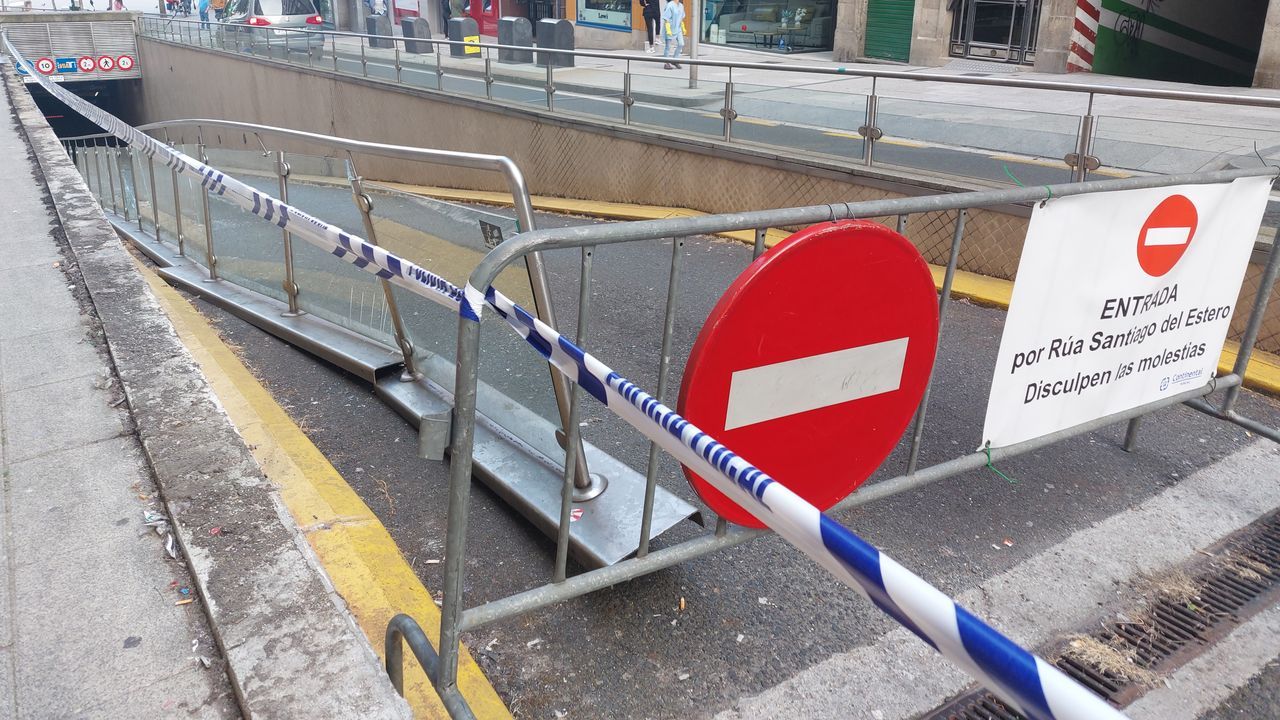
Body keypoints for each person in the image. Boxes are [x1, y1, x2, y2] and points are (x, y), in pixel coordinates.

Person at [661, 0, 684, 70]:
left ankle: (675, 60)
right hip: (670, 27)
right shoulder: (670, 5)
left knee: (681, 44)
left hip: (678, 28)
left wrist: (683, 27)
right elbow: (666, 18)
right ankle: (666, 63)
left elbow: (681, 17)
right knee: (668, 46)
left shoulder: (681, 6)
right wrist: (668, 29)